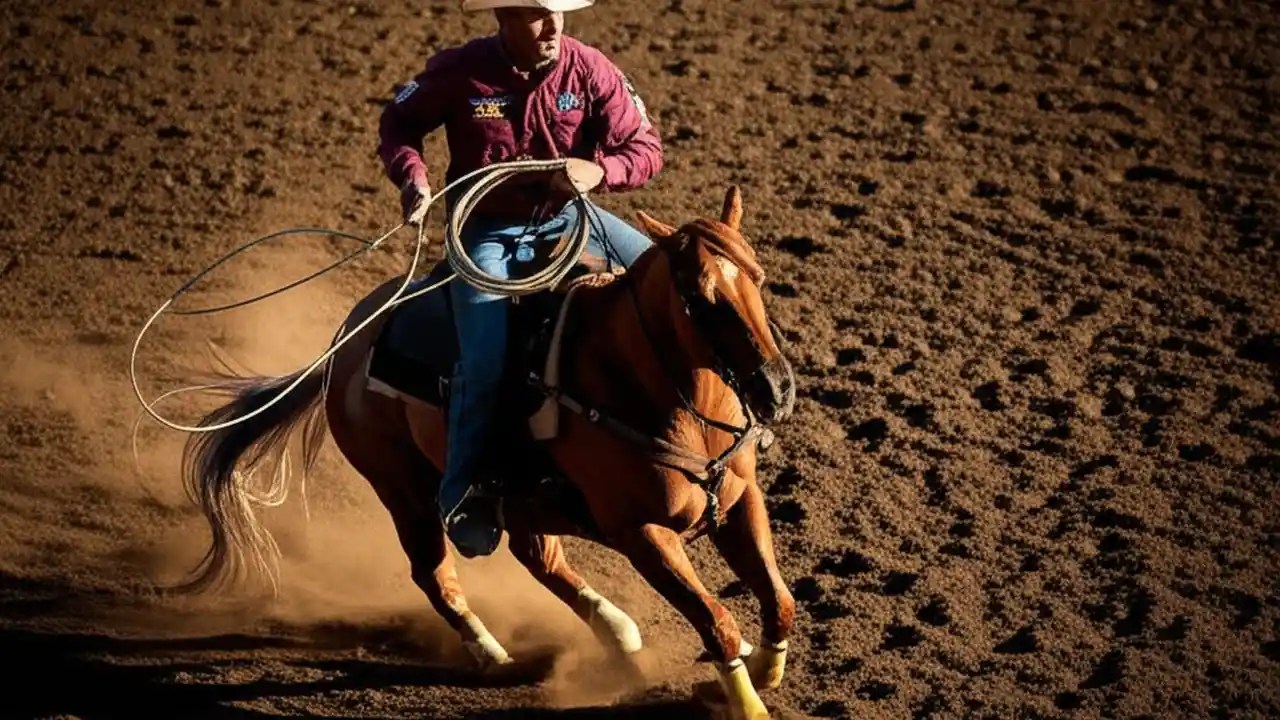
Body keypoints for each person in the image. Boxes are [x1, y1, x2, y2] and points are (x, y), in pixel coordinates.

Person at [377, 0, 663, 558]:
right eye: (537, 15)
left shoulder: (589, 68)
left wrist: (601, 170)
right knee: (483, 360)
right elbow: (400, 122)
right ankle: (463, 494)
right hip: (486, 232)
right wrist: (412, 177)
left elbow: (646, 148)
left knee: (663, 282)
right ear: (503, 19)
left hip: (572, 222)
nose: (554, 26)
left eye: (558, 13)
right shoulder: (463, 70)